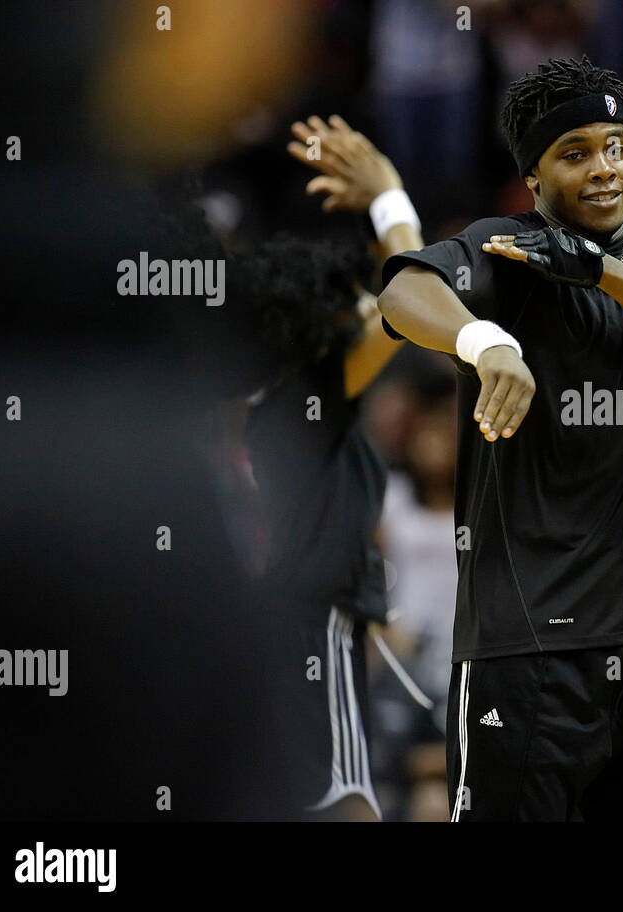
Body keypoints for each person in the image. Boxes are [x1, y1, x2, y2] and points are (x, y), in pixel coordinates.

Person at [376, 56, 623, 821]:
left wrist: (604, 274)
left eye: (616, 146)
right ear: (535, 178)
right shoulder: (504, 247)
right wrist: (485, 342)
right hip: (527, 650)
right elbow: (402, 290)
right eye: (575, 153)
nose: (605, 169)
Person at [230, 117, 423, 821]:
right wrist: (388, 197)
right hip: (308, 634)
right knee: (345, 809)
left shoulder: (238, 403)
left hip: (234, 630)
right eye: (348, 305)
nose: (361, 309)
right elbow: (411, 298)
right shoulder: (304, 395)